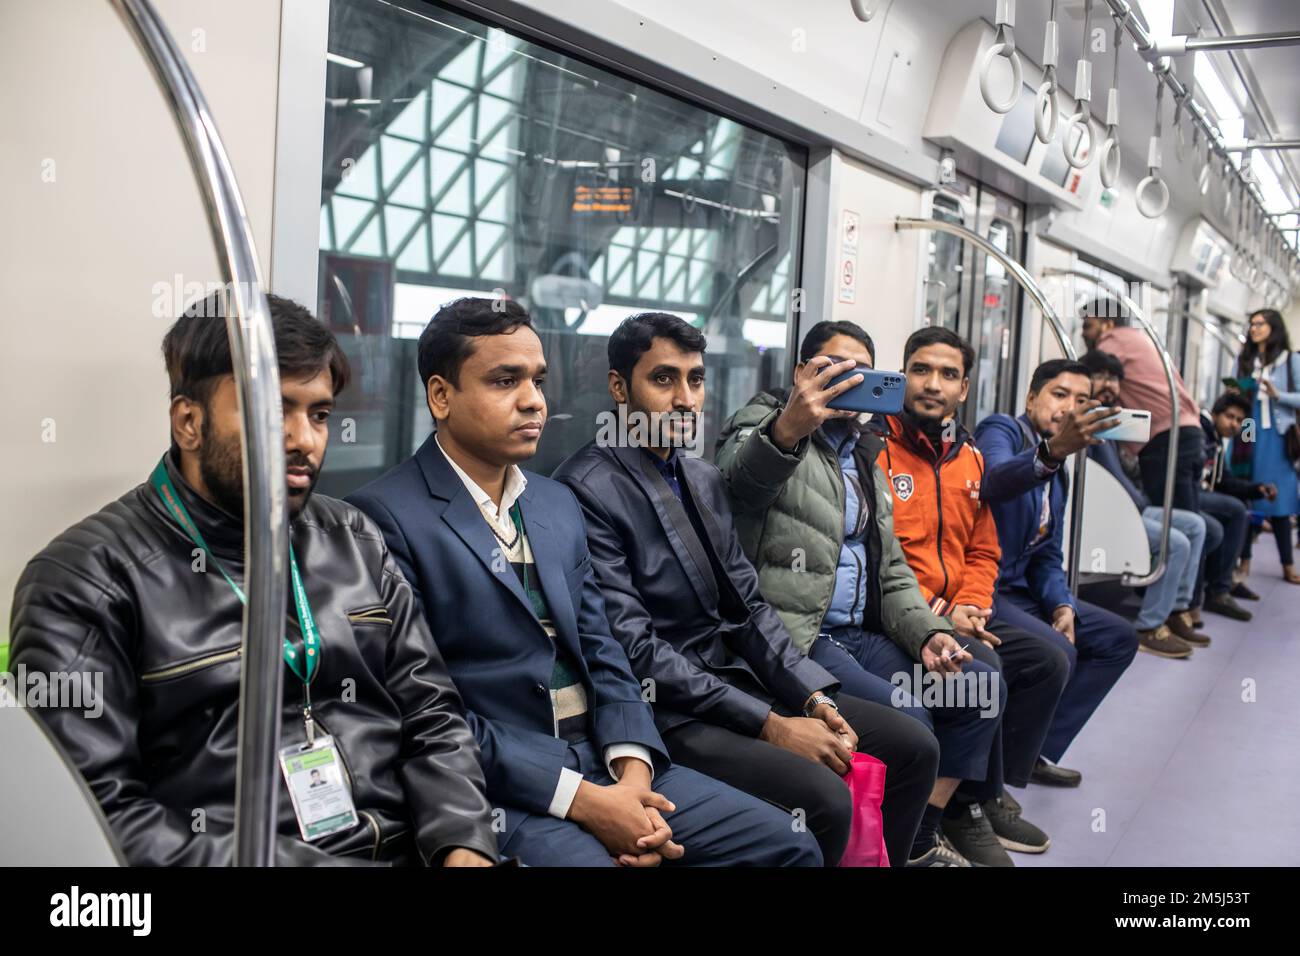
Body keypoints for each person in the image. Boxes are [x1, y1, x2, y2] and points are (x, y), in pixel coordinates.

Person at [8, 294, 499, 866]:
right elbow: (99, 816)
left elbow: (433, 717)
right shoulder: (87, 580)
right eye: (273, 410)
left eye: (319, 414)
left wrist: (465, 843)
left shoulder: (354, 540)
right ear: (189, 422)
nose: (304, 440)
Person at [348, 298, 821, 868]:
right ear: (441, 396)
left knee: (788, 845)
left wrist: (631, 772)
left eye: (538, 381)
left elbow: (605, 653)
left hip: (608, 757)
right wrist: (585, 800)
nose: (533, 401)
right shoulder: (382, 519)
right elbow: (426, 713)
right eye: (505, 381)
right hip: (504, 786)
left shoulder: (554, 503)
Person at [554, 313, 939, 867]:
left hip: (735, 679)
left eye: (696, 379)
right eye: (663, 380)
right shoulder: (587, 487)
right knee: (825, 795)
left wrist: (812, 696)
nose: (685, 399)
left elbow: (750, 606)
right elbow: (636, 651)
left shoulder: (700, 476)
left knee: (912, 746)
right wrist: (773, 725)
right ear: (619, 388)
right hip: (670, 709)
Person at [715, 319, 1007, 866]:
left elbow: (891, 568)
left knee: (976, 690)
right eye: (833, 368)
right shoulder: (765, 421)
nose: (848, 382)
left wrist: (928, 632)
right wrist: (789, 427)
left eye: (860, 371)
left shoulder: (863, 454)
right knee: (912, 723)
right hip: (797, 635)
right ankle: (881, 853)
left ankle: (918, 837)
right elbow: (735, 488)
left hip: (861, 629)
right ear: (803, 373)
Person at [866, 326, 1068, 860]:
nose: (932, 384)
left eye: (948, 374)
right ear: (900, 375)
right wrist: (940, 614)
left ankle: (984, 796)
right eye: (921, 370)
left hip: (963, 606)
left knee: (1047, 658)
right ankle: (948, 816)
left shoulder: (970, 458)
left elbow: (983, 549)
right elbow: (878, 559)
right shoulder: (872, 451)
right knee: (982, 673)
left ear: (964, 389)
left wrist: (973, 604)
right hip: (901, 613)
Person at [975, 359, 1139, 787]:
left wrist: (1062, 603)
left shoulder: (1058, 471)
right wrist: (1050, 454)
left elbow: (1047, 554)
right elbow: (993, 478)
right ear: (1032, 399)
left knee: (1116, 638)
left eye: (1081, 401)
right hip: (986, 587)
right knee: (1058, 653)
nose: (1069, 408)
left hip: (1024, 590)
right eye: (1059, 395)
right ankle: (1002, 776)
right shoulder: (1004, 431)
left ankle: (1037, 748)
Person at [1081, 349, 1209, 657]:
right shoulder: (1082, 423)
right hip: (1106, 513)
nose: (1109, 384)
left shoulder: (1111, 422)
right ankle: (1149, 626)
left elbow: (1126, 469)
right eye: (1100, 375)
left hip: (1131, 505)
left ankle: (1177, 609)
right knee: (1174, 542)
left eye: (1114, 378)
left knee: (1196, 525)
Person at [1081, 298, 1204, 514]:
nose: (1084, 334)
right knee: (1188, 516)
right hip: (1187, 431)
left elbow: (1080, 374)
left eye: (1088, 325)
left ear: (1108, 324)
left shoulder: (1113, 342)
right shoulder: (1139, 339)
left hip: (1167, 438)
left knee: (1174, 517)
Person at [1233, 308, 1300, 584]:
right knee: (1249, 492)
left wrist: (1277, 394)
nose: (1254, 328)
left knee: (1280, 497)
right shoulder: (1246, 359)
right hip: (1249, 428)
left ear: (1274, 327)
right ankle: (1244, 561)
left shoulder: (1289, 360)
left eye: (1260, 324)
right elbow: (1235, 394)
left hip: (1278, 433)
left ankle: (1287, 564)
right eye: (1252, 324)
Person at [1201, 392, 1277, 603]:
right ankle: (1219, 590)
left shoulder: (1216, 441)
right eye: (1230, 416)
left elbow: (1224, 480)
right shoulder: (1200, 433)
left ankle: (1226, 579)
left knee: (1245, 503)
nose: (1234, 425)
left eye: (1239, 421)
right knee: (1235, 509)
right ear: (1215, 414)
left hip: (1203, 491)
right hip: (1191, 494)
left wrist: (1257, 488)